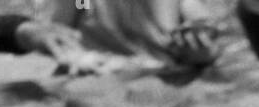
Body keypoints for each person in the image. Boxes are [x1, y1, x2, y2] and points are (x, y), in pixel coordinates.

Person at [49, 0, 226, 69]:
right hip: (100, 80)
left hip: (163, 83)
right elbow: (59, 35)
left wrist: (197, 45)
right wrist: (79, 58)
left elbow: (204, 42)